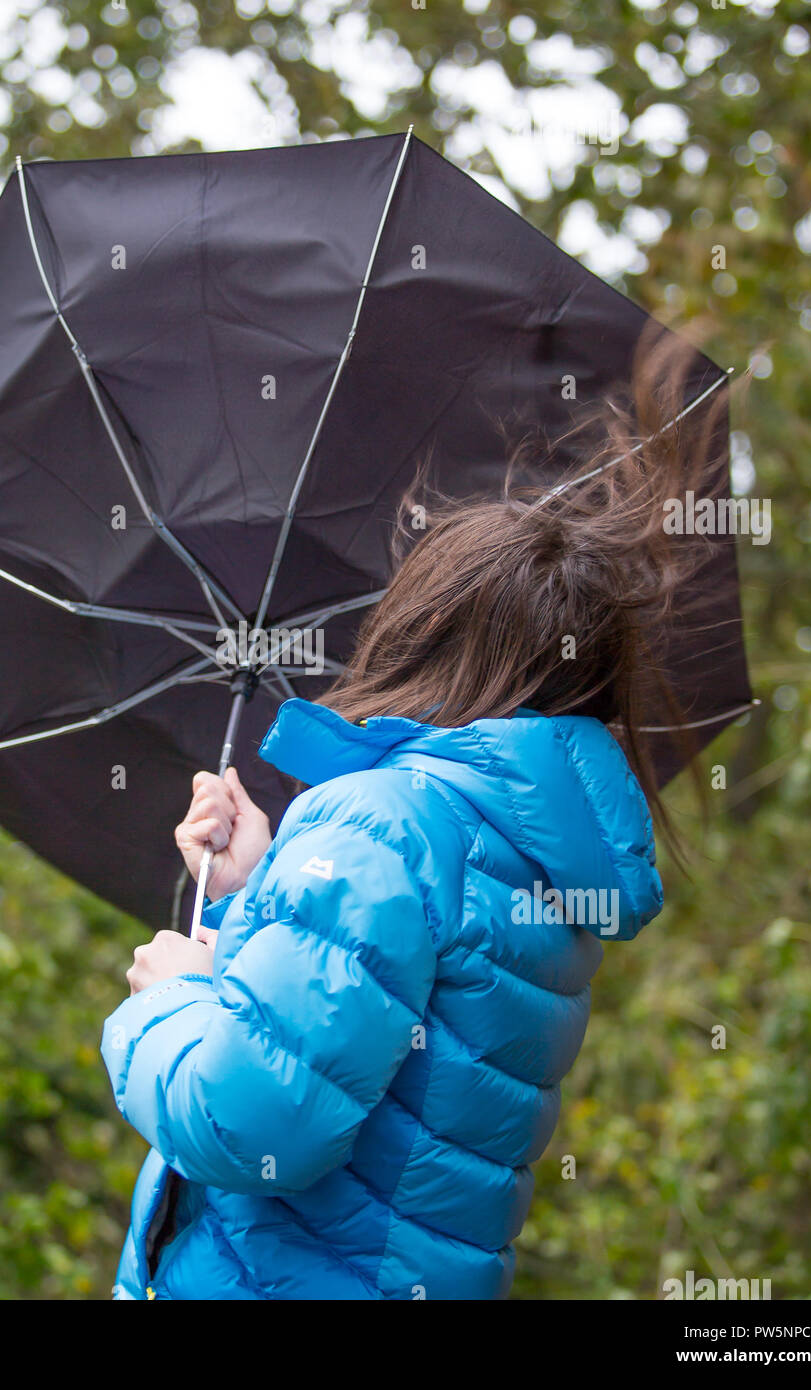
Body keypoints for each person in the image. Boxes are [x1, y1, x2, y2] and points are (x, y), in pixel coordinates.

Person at [100, 332, 722, 1299]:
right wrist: (253, 890)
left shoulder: (383, 821)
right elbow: (391, 1071)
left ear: (422, 627)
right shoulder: (519, 853)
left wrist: (169, 998)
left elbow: (255, 1118)